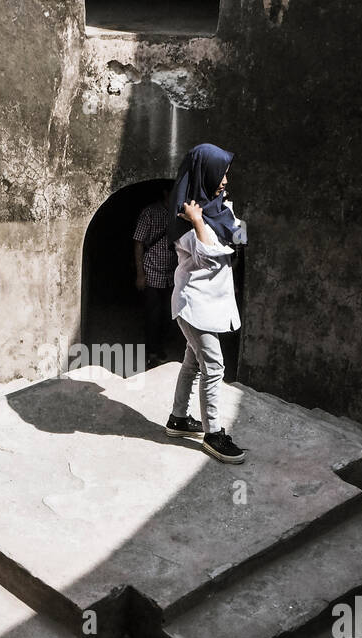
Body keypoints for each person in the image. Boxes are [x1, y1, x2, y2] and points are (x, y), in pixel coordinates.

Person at [163, 143, 247, 464]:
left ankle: (178, 419)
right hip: (194, 305)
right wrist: (199, 221)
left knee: (193, 363)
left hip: (208, 303)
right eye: (221, 173)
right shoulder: (186, 217)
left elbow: (239, 237)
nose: (225, 180)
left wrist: (220, 215)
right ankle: (214, 435)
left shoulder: (215, 207)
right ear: (205, 173)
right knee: (214, 366)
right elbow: (209, 258)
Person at [132, 182, 179, 369]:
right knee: (153, 314)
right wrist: (140, 274)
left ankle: (160, 348)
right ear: (166, 194)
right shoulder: (149, 213)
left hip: (172, 274)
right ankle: (152, 352)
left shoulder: (179, 214)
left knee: (168, 314)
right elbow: (138, 243)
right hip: (152, 272)